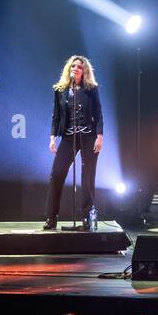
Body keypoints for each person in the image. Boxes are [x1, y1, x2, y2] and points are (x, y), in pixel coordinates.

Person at [44, 55, 104, 230]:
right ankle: (51, 217)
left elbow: (99, 113)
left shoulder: (91, 89)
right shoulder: (60, 90)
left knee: (87, 176)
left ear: (84, 71)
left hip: (88, 136)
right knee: (57, 173)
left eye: (79, 67)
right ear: (69, 69)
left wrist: (100, 136)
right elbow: (56, 115)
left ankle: (86, 219)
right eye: (73, 66)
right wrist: (52, 137)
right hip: (69, 136)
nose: (75, 69)